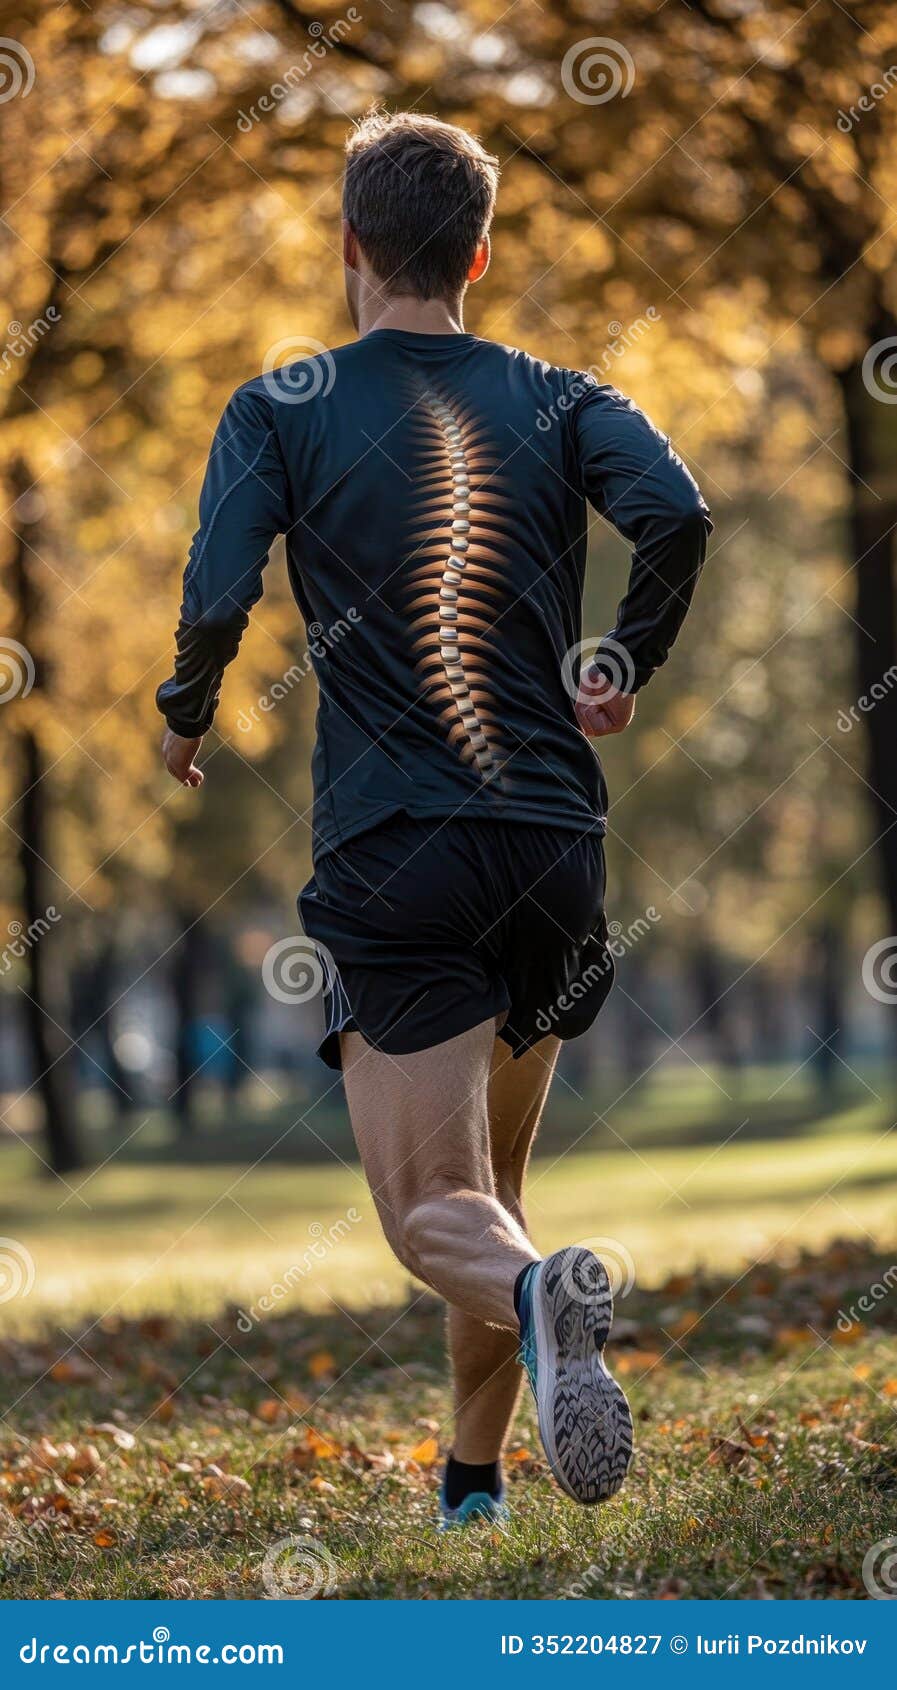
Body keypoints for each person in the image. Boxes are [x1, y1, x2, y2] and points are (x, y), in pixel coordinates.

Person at [157, 109, 710, 1526]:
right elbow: (679, 513)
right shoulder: (564, 394)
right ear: (477, 250)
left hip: (399, 853)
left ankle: (541, 1295)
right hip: (553, 856)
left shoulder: (277, 404)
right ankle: (472, 1489)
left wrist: (185, 709)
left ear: (352, 245)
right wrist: (621, 662)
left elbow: (218, 589)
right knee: (495, 1178)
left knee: (431, 1218)